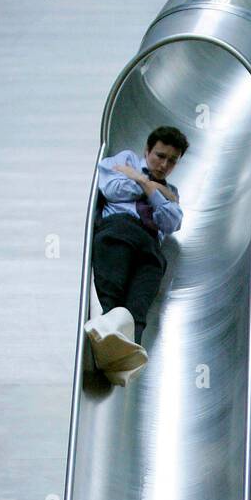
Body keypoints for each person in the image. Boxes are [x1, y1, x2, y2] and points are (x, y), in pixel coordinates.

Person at [85, 125, 189, 385]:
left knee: (138, 310)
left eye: (171, 161)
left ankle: (124, 364)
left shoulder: (171, 190)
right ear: (147, 150)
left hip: (151, 246)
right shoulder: (125, 160)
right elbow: (113, 188)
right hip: (120, 228)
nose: (164, 165)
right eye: (159, 156)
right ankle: (104, 349)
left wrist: (142, 181)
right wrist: (154, 191)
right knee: (113, 295)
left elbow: (172, 221)